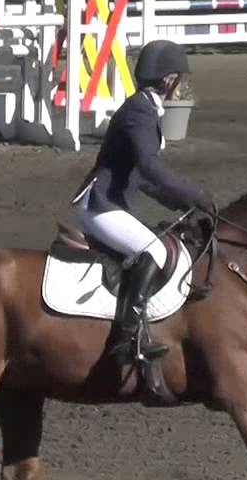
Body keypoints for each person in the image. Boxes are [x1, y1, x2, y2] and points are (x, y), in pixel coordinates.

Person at [71, 39, 216, 365]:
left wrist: (179, 204)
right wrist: (192, 193)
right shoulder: (140, 111)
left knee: (166, 242)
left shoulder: (145, 107)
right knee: (153, 250)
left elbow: (142, 177)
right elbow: (150, 166)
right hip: (101, 205)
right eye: (179, 78)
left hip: (112, 202)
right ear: (168, 79)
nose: (180, 85)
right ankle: (126, 338)